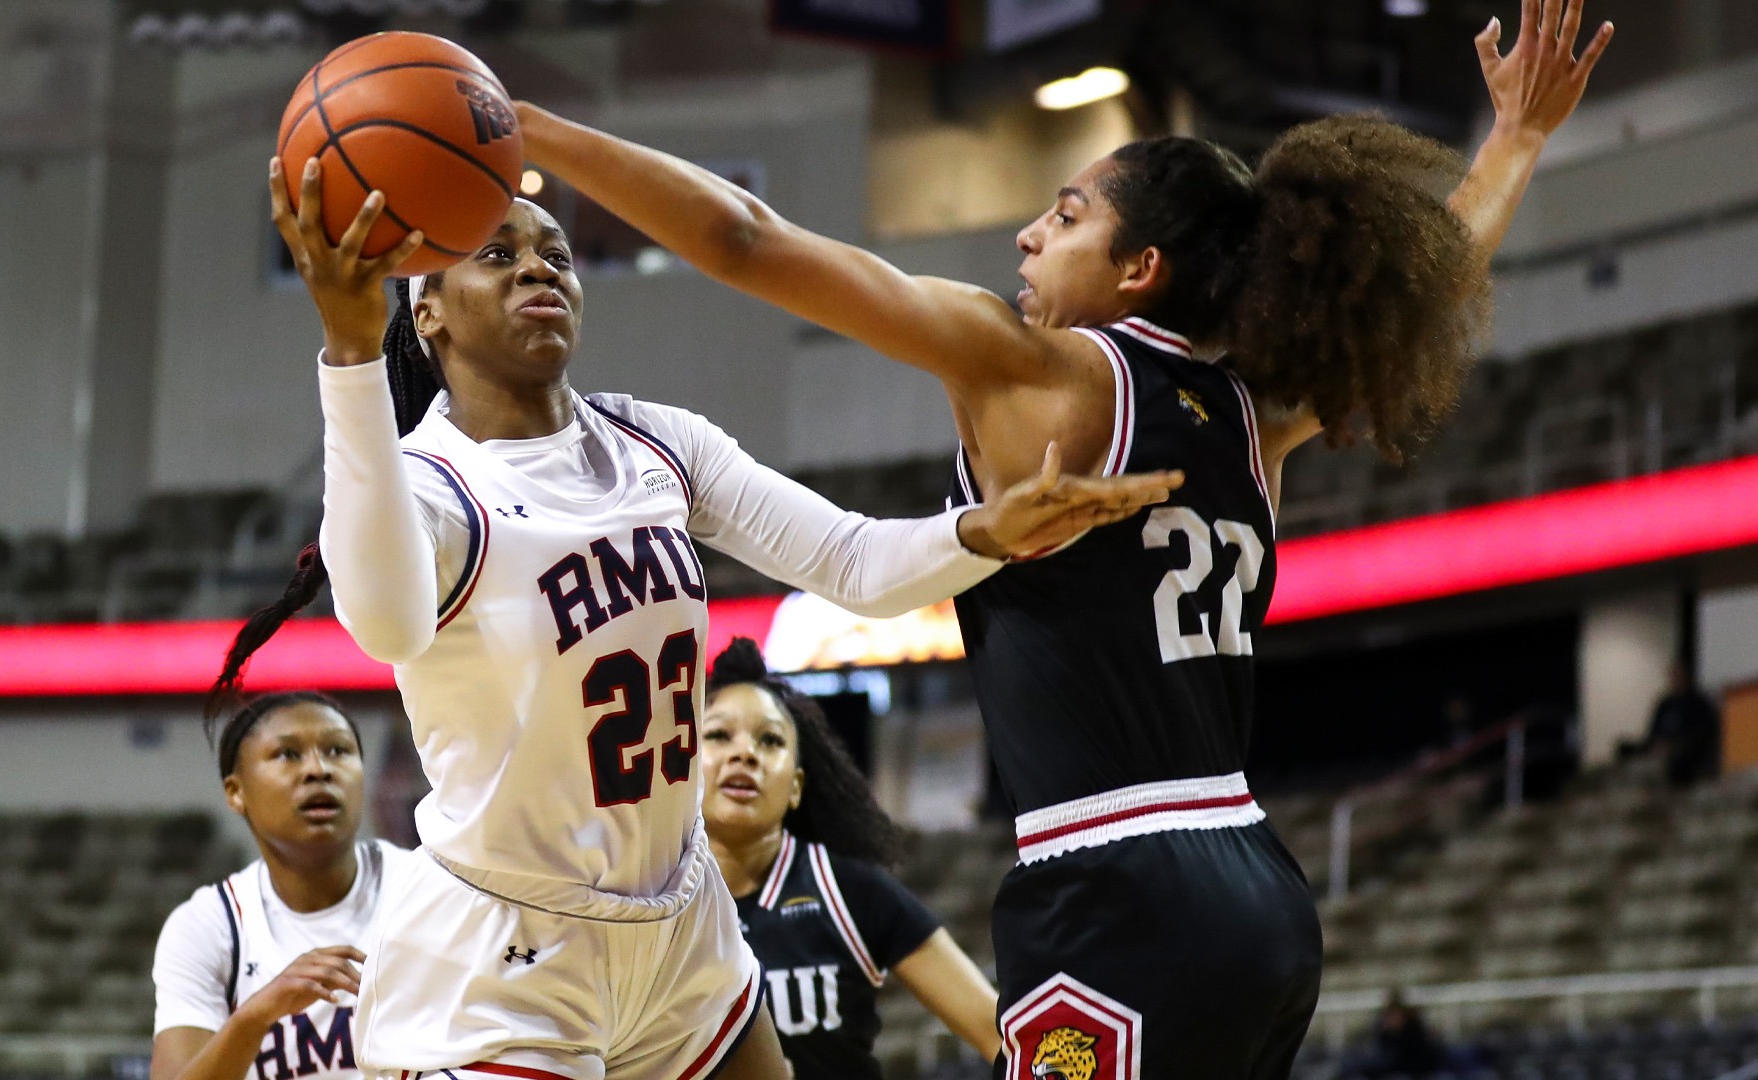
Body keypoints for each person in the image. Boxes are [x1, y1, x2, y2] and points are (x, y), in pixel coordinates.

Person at [511, 3, 1612, 1075]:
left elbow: (744, 238)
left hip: (1116, 889)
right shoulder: (1258, 412)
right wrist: (1515, 139)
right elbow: (1424, 290)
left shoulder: (1039, 372)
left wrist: (536, 131)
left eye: (1069, 213)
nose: (1031, 234)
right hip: (1259, 894)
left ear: (1141, 271)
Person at [219, 162, 1182, 1080]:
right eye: (499, 255)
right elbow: (384, 625)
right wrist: (349, 356)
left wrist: (982, 530)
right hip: (509, 943)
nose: (538, 269)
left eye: (555, 253)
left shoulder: (658, 442)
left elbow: (850, 562)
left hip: (680, 921)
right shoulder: (428, 486)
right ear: (425, 309)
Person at [701, 637, 999, 1079]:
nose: (744, 753)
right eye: (718, 735)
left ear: (797, 786)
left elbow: (1001, 1036)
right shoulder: (649, 903)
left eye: (770, 740)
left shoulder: (849, 892)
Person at [152, 692, 406, 1080]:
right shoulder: (208, 925)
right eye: (288, 754)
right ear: (236, 792)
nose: (318, 769)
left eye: (338, 750)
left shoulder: (424, 886)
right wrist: (257, 1013)